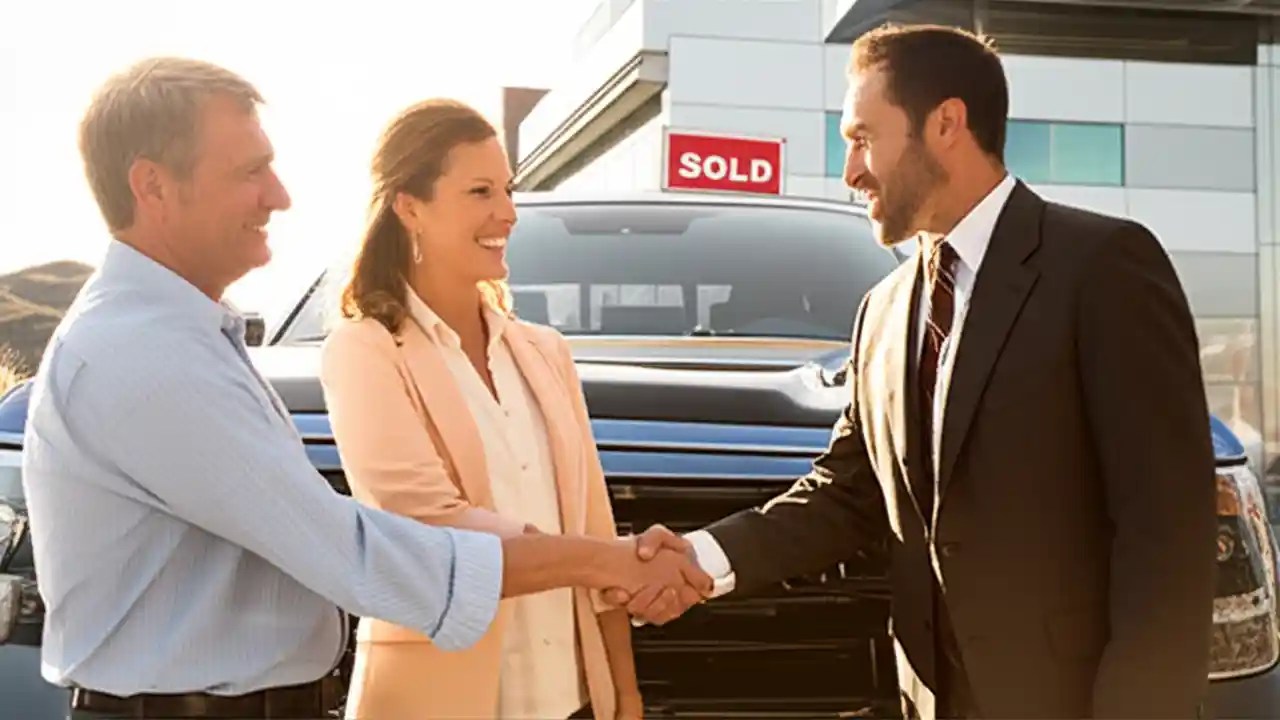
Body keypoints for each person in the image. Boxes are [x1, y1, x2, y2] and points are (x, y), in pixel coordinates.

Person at [20, 57, 707, 720]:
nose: (280, 195)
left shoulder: (176, 340)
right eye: (252, 171)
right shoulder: (147, 359)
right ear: (154, 187)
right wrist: (604, 559)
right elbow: (353, 551)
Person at [616, 24, 1217, 720]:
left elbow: (1167, 532)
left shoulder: (1104, 266)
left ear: (946, 124)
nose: (851, 171)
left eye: (862, 137)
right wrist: (699, 556)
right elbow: (847, 494)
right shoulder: (883, 310)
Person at [320, 99, 657, 720]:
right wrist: (603, 559)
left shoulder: (546, 353)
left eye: (507, 189)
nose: (507, 212)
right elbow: (429, 524)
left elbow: (594, 524)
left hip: (574, 701)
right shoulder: (365, 350)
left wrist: (626, 697)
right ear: (409, 206)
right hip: (437, 702)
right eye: (480, 191)